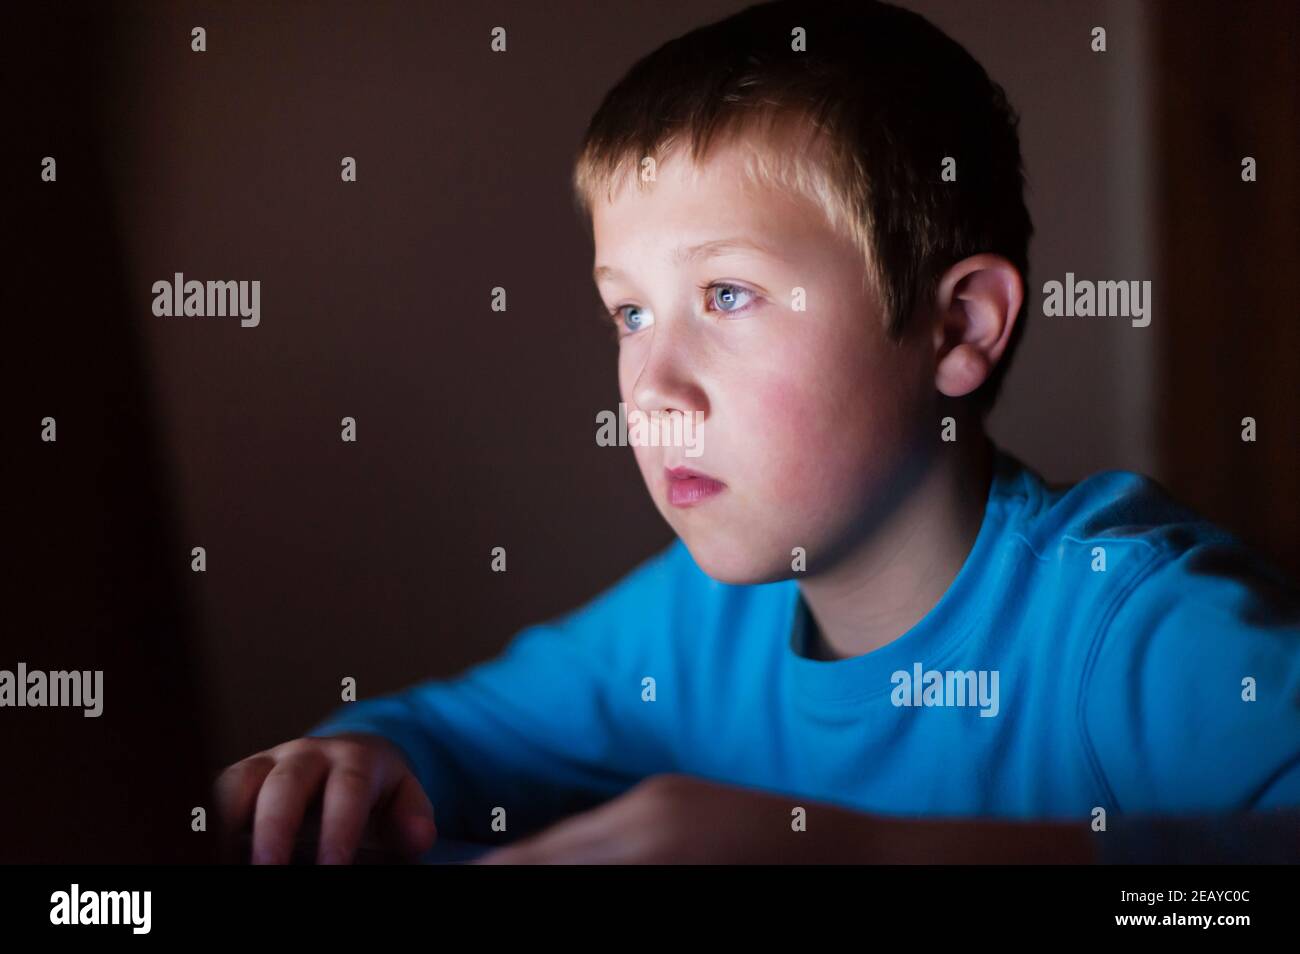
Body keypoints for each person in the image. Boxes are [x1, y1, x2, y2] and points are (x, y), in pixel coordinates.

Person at [215, 0, 1300, 864]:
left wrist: (867, 860)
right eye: (628, 314)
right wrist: (355, 757)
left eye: (727, 295)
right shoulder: (687, 633)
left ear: (957, 326)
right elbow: (458, 735)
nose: (649, 387)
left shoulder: (1134, 631)